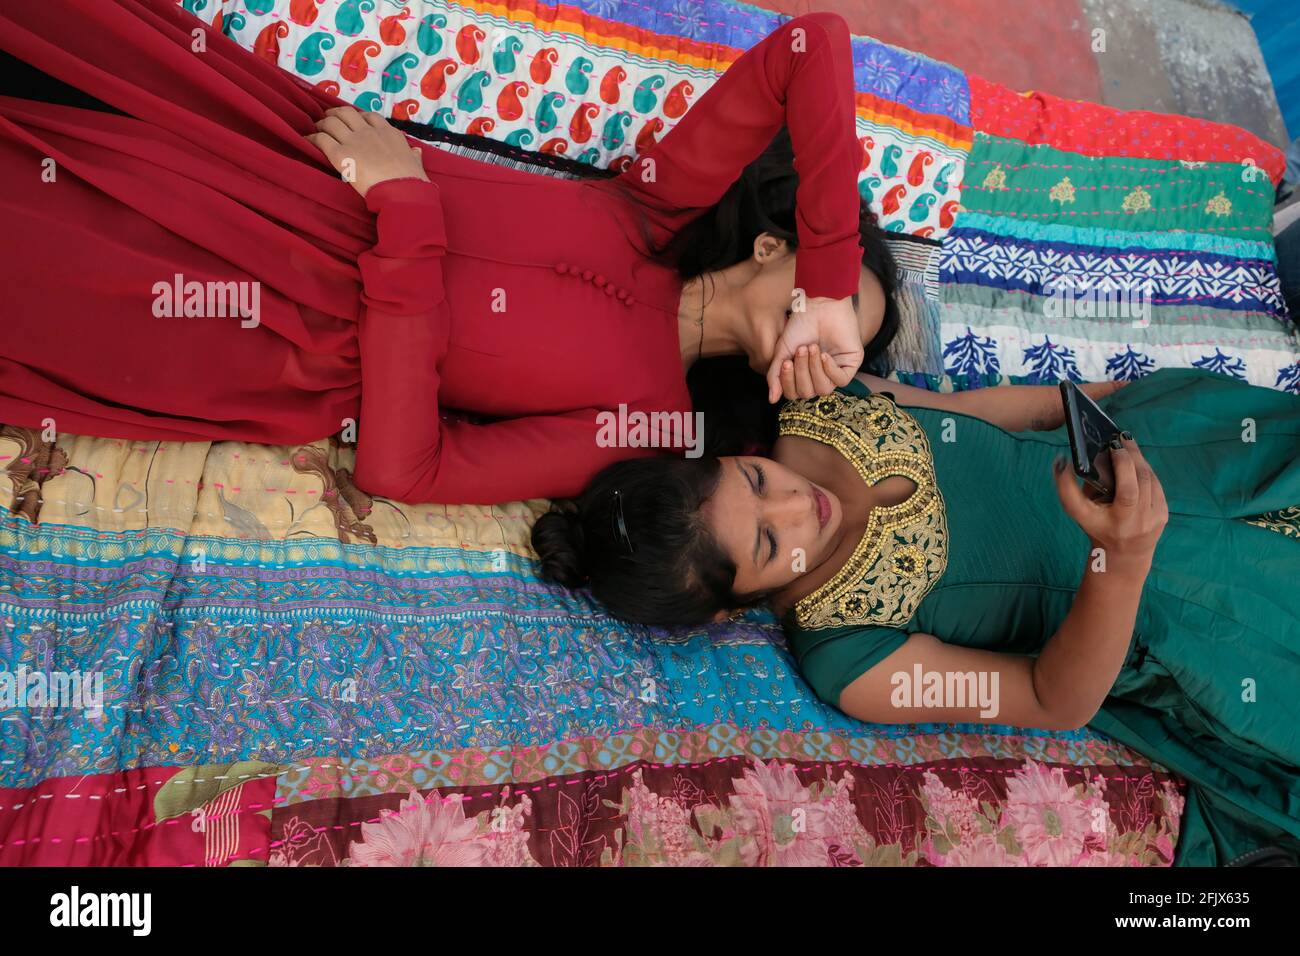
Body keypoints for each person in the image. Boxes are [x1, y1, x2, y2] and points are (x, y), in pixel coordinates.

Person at [0, 0, 895, 503]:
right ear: (785, 243)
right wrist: (828, 277)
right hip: (270, 161)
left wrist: (410, 211)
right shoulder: (651, 207)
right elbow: (813, 43)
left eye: (846, 349)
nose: (832, 336)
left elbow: (405, 470)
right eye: (846, 300)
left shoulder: (653, 423)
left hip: (266, 321)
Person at [532, 359, 1300, 865]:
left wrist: (1095, 408)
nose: (801, 504)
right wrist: (1121, 562)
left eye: (757, 478)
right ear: (736, 608)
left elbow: (989, 412)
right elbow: (1052, 699)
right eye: (771, 541)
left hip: (1179, 452)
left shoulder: (818, 410)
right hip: (1199, 620)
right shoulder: (850, 656)